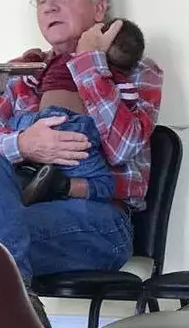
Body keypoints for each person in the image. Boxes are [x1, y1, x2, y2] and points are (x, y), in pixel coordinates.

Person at [0, 0, 164, 328]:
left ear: (100, 7)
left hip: (99, 221)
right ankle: (21, 322)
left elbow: (123, 147)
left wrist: (88, 63)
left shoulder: (137, 69)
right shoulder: (22, 74)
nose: (48, 5)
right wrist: (23, 144)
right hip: (21, 212)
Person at [10, 18, 147, 206]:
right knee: (104, 185)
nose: (50, 8)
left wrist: (30, 58)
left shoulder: (55, 62)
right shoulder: (109, 75)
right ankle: (60, 185)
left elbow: (122, 152)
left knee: (12, 131)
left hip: (35, 123)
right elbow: (129, 99)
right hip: (74, 130)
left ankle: (27, 176)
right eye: (42, 0)